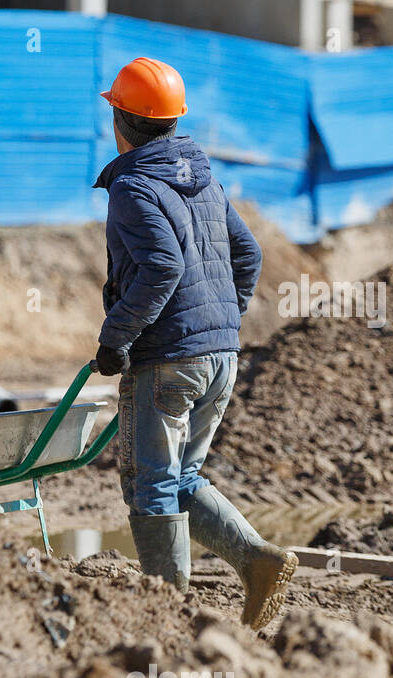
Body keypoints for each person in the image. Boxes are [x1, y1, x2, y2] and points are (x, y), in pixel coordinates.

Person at [92, 56, 297, 630]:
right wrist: (222, 324)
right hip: (220, 357)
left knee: (150, 484)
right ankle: (257, 560)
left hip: (169, 362)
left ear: (121, 121)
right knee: (181, 477)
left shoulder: (133, 186)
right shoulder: (204, 178)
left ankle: (167, 617)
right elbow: (247, 254)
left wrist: (116, 339)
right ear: (173, 122)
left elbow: (161, 266)